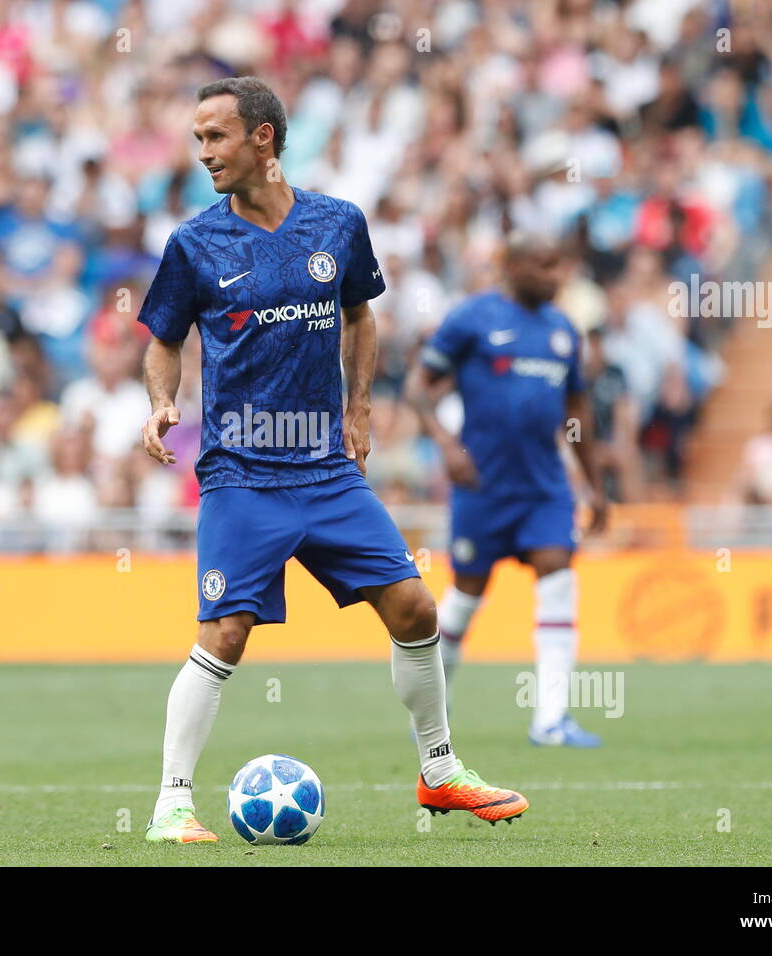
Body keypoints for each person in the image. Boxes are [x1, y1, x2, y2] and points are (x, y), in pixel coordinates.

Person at [136, 76, 529, 844]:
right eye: (198, 138)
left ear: (263, 138)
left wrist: (359, 407)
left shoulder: (338, 224)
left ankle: (440, 771)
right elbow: (163, 339)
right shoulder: (194, 243)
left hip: (325, 468)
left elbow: (360, 317)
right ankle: (171, 805)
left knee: (415, 609)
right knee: (226, 632)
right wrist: (160, 401)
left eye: (215, 136)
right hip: (242, 471)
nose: (203, 152)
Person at [405, 233, 608, 747]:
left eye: (558, 265)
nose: (556, 276)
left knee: (558, 578)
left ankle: (550, 721)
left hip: (545, 487)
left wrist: (595, 486)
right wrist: (446, 445)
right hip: (483, 485)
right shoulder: (472, 318)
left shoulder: (563, 330)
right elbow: (417, 386)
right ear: (513, 266)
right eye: (544, 265)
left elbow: (577, 411)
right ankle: (434, 712)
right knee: (465, 598)